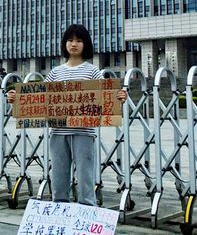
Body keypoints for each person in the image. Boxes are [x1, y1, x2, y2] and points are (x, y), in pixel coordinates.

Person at [7, 24, 127, 206]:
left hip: (84, 132)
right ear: (64, 44)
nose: (74, 44)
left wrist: (119, 97)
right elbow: (39, 97)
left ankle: (87, 211)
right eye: (70, 40)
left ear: (85, 44)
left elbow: (106, 98)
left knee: (85, 176)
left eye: (79, 40)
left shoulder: (93, 71)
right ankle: (59, 211)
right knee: (58, 175)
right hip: (58, 132)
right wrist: (17, 98)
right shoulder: (55, 73)